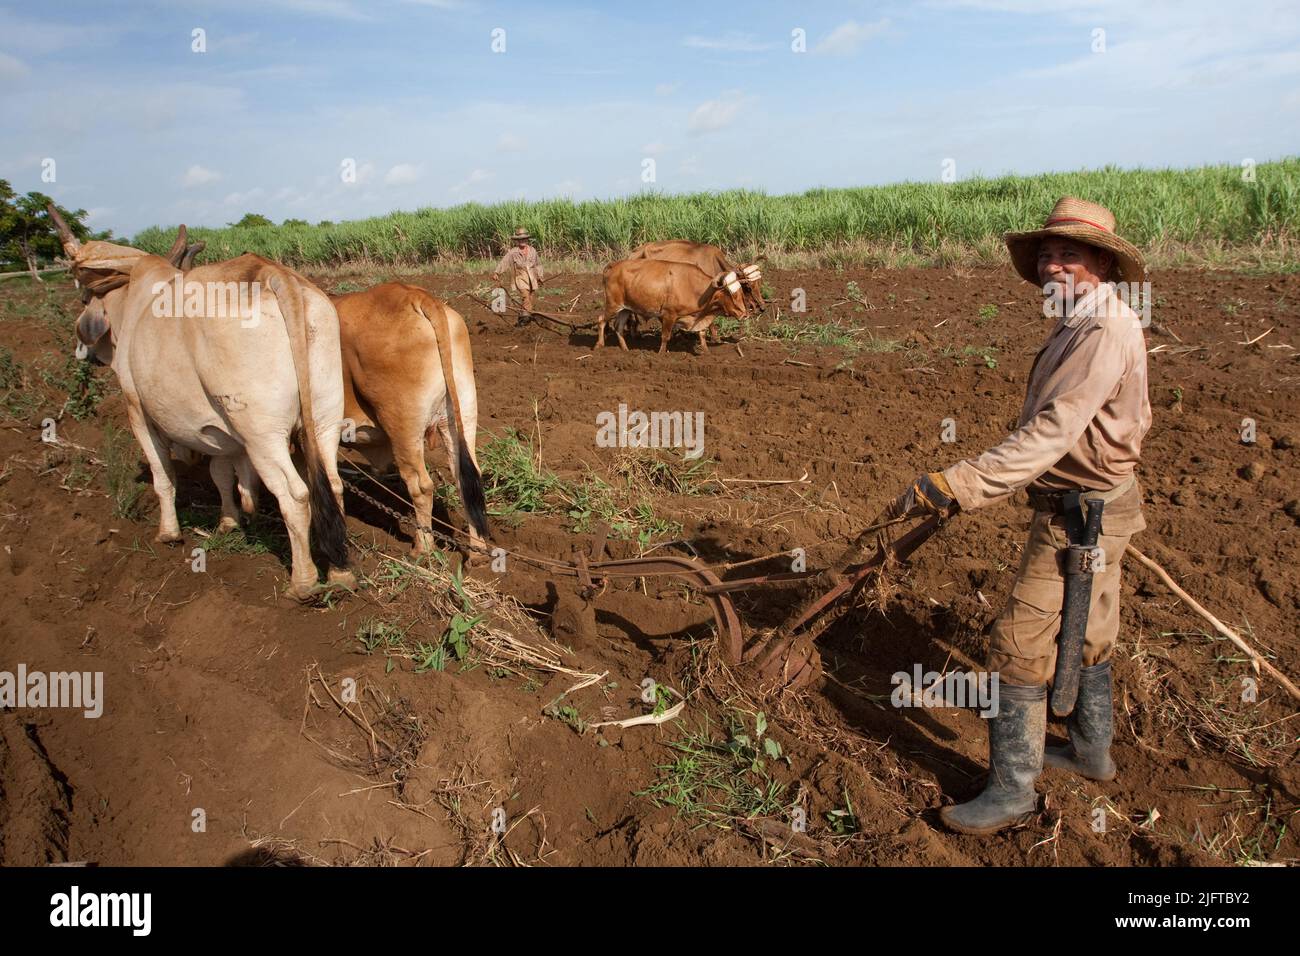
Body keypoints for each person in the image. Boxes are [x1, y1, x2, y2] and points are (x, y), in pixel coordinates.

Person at [898, 197, 1151, 835]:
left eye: (1068, 255)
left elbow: (1052, 432)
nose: (1052, 266)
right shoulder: (1087, 318)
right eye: (1045, 255)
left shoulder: (1099, 329)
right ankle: (1091, 752)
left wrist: (959, 481)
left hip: (1079, 517)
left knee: (1015, 646)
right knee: (1091, 629)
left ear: (1101, 263)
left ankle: (1011, 792)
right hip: (1105, 502)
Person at [492, 226, 544, 314]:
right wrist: (497, 272)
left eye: (524, 239)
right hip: (520, 279)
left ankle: (527, 314)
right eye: (520, 239)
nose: (522, 241)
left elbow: (538, 264)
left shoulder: (533, 251)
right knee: (525, 297)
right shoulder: (513, 252)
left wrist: (540, 276)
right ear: (517, 241)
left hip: (532, 279)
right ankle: (526, 317)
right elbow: (504, 262)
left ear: (527, 239)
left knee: (530, 298)